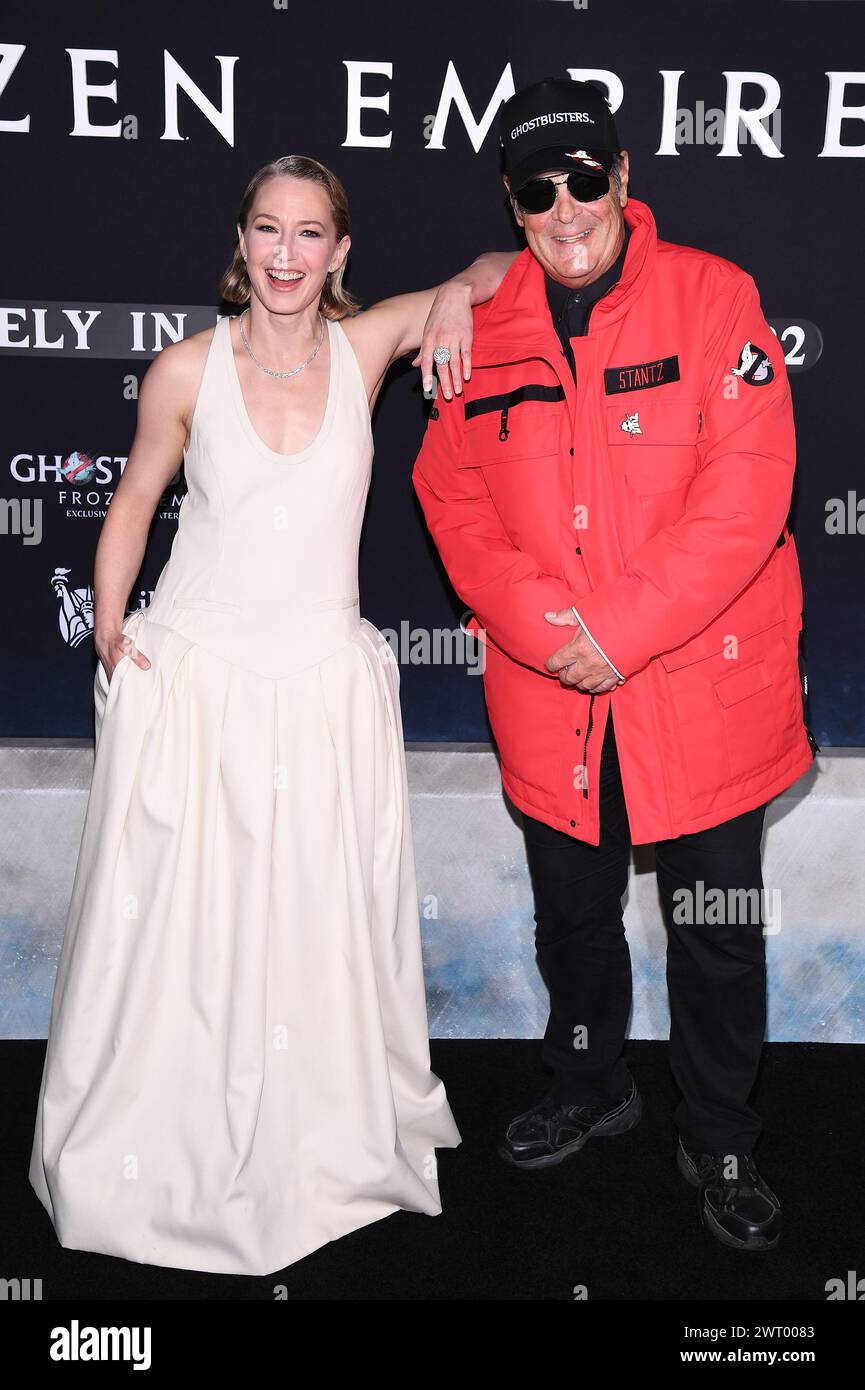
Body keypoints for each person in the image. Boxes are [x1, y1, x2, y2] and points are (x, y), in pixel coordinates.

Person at [28, 153, 517, 1276]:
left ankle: (318, 1130)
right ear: (240, 243)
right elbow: (136, 500)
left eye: (309, 234)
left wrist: (447, 296)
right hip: (199, 682)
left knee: (308, 918)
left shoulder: (365, 344)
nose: (287, 253)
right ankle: (161, 1140)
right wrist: (112, 629)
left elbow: (499, 265)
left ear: (340, 252)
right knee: (182, 932)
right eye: (267, 230)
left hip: (319, 690)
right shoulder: (186, 370)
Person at [412, 79, 818, 1253]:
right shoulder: (475, 331)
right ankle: (590, 1081)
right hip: (553, 697)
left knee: (715, 925)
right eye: (538, 190)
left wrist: (618, 632)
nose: (565, 206)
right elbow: (450, 495)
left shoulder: (713, 295)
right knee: (574, 919)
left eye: (584, 178)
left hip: (699, 689)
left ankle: (721, 1129)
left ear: (623, 176)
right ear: (513, 204)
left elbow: (746, 499)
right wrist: (549, 633)